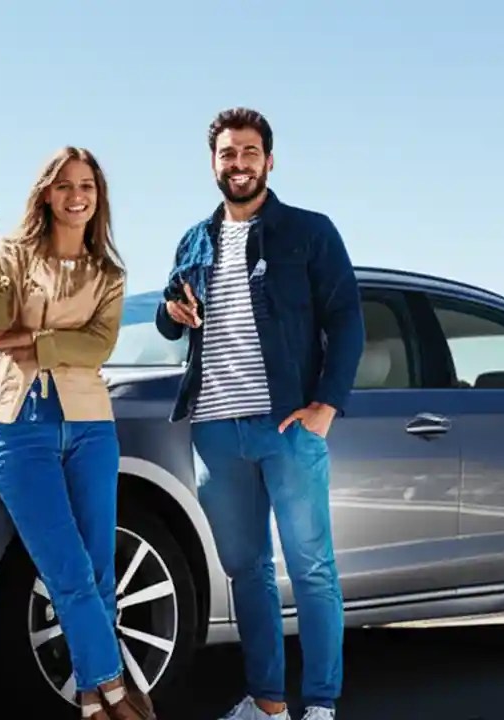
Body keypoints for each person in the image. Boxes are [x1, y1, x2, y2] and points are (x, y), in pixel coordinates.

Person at [155, 108, 365, 720]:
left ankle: (321, 704)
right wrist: (175, 310)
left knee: (312, 570)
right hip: (216, 431)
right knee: (247, 571)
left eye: (249, 152)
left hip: (288, 427)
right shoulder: (194, 239)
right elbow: (171, 319)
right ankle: (268, 704)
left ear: (269, 161)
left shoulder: (309, 232)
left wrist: (327, 404)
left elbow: (347, 319)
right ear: (213, 163)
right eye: (228, 153)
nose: (238, 163)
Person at [0, 146, 154, 720]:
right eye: (65, 185)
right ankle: (115, 691)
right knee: (68, 570)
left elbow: (99, 345)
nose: (77, 196)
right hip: (20, 425)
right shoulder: (14, 256)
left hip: (92, 424)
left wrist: (39, 342)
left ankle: (92, 699)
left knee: (98, 572)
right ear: (46, 193)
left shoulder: (110, 275)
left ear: (99, 198)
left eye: (88, 186)